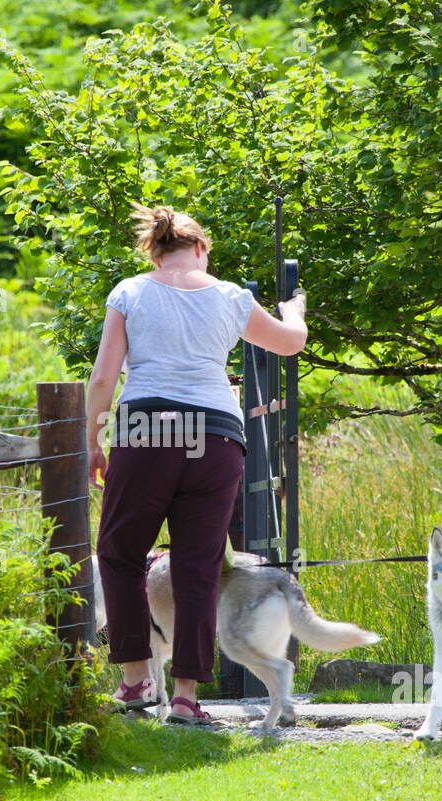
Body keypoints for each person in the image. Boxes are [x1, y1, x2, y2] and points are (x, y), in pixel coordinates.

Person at [86, 201, 307, 724]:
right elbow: (289, 342)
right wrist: (293, 309)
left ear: (154, 252)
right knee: (197, 567)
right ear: (201, 248)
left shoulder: (130, 292)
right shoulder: (230, 296)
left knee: (119, 555)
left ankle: (137, 681)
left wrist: (94, 441)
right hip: (215, 437)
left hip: (145, 434)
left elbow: (102, 378)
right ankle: (185, 696)